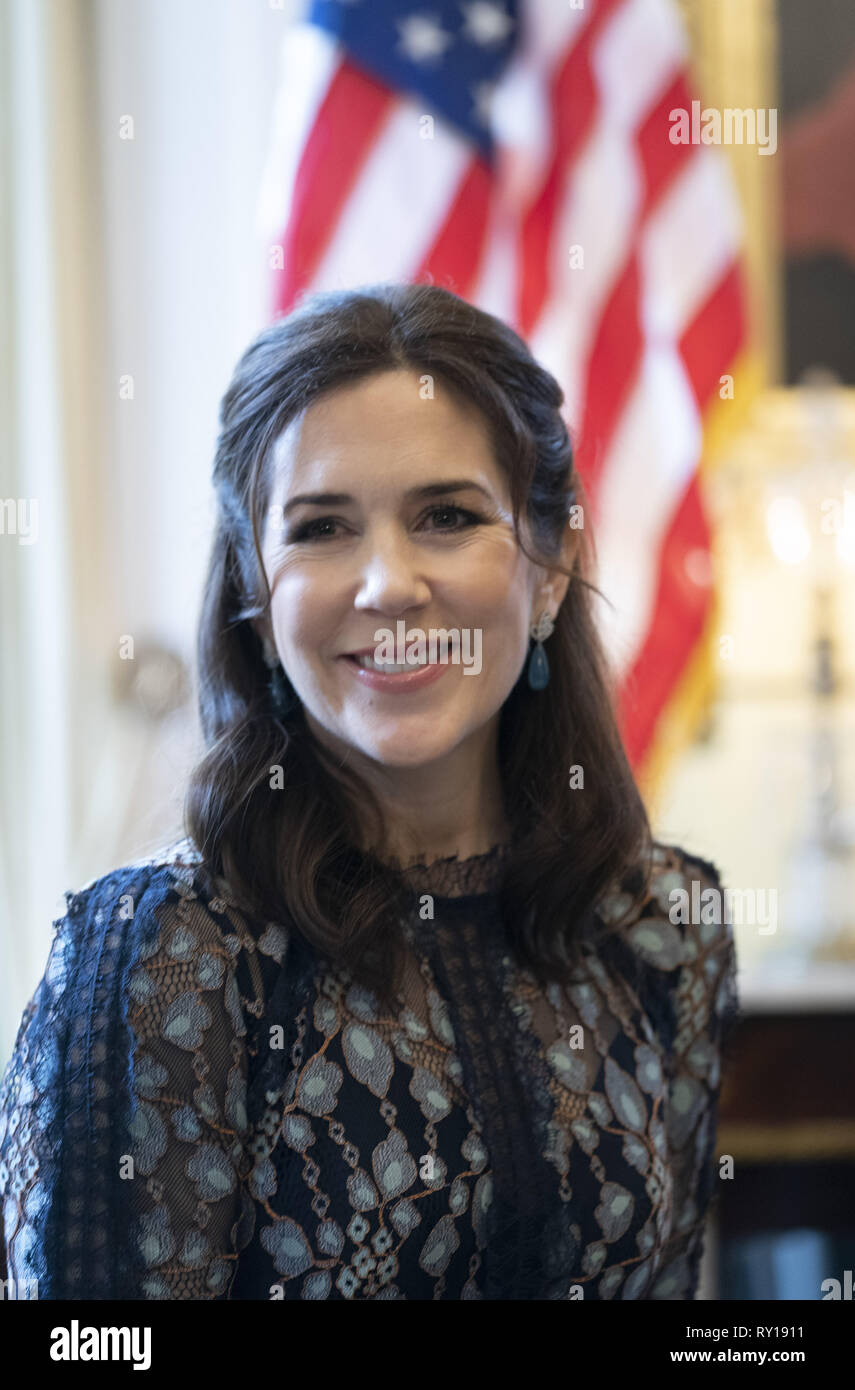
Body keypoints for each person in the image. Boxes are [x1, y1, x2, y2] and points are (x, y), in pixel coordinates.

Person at [0, 282, 739, 1300]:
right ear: (257, 598)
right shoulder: (162, 963)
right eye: (321, 528)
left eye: (446, 515)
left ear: (554, 567)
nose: (387, 583)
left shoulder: (665, 929)